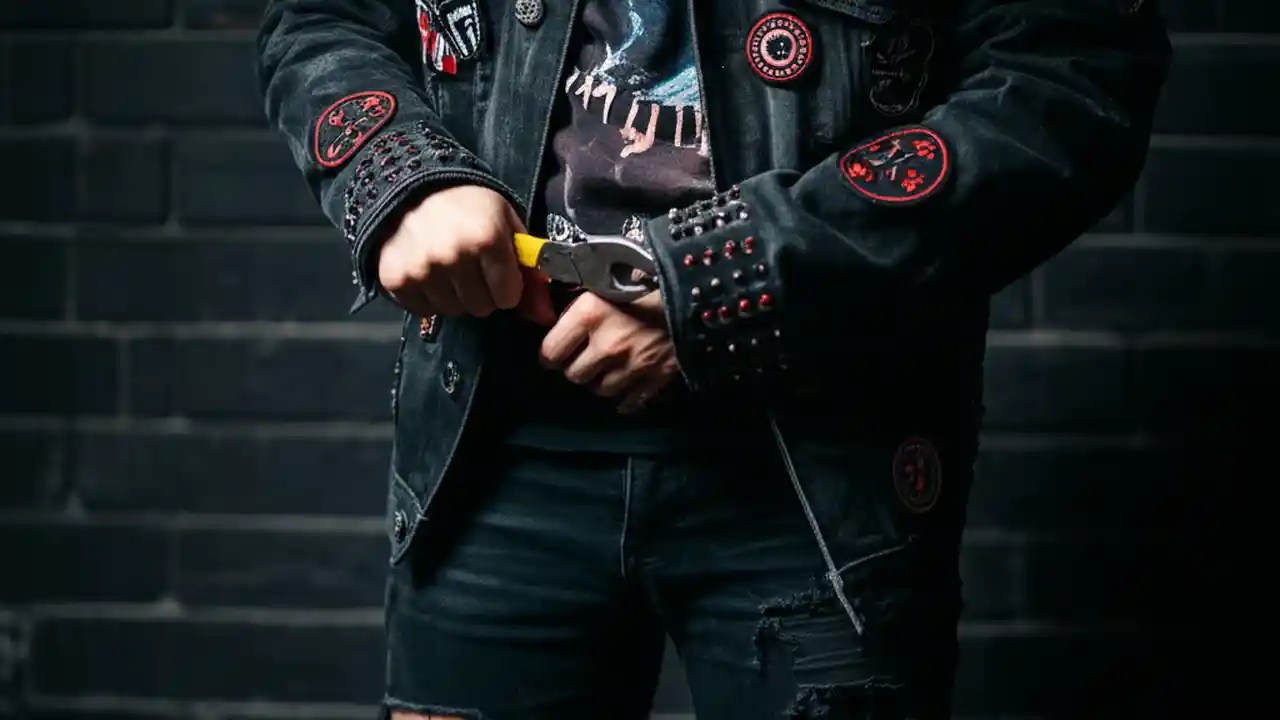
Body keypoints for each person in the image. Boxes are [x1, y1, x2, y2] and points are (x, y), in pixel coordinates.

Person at [257, 0, 1169, 717]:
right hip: (491, 441)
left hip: (818, 469)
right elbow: (327, 16)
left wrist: (734, 274)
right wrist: (401, 171)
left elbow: (1067, 73)